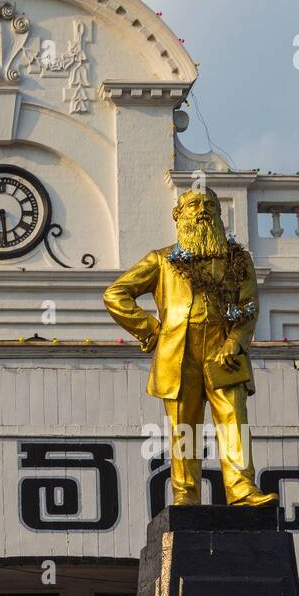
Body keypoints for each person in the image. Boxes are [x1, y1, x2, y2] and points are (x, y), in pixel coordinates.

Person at [103, 187, 278, 508]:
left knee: (234, 422)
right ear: (178, 215)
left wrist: (235, 341)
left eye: (210, 205)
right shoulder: (162, 260)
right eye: (194, 205)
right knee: (185, 428)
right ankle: (186, 494)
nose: (202, 210)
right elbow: (116, 294)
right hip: (178, 353)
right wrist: (151, 331)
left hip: (224, 352)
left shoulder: (238, 261)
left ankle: (242, 489)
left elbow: (249, 306)